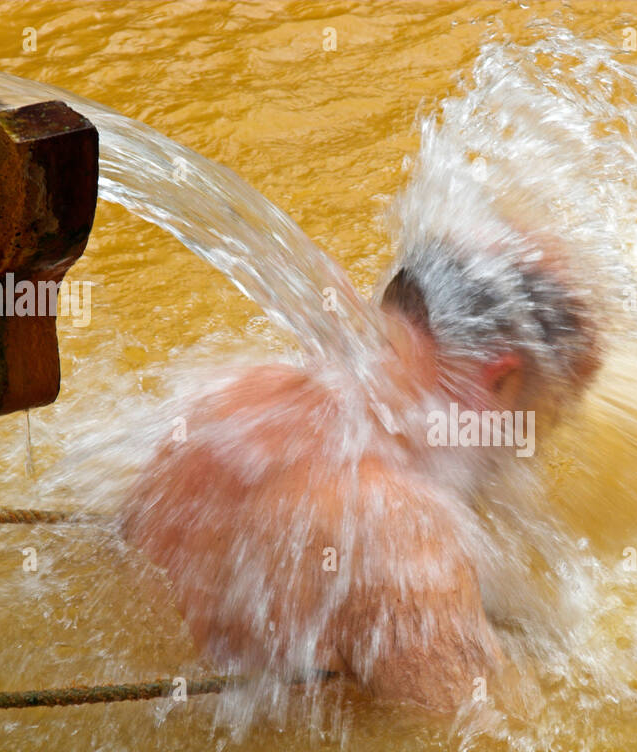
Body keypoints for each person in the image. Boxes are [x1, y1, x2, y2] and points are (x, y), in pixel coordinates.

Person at [120, 232, 599, 712]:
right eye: (541, 422)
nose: (523, 456)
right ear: (501, 379)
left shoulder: (237, 401)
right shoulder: (405, 539)